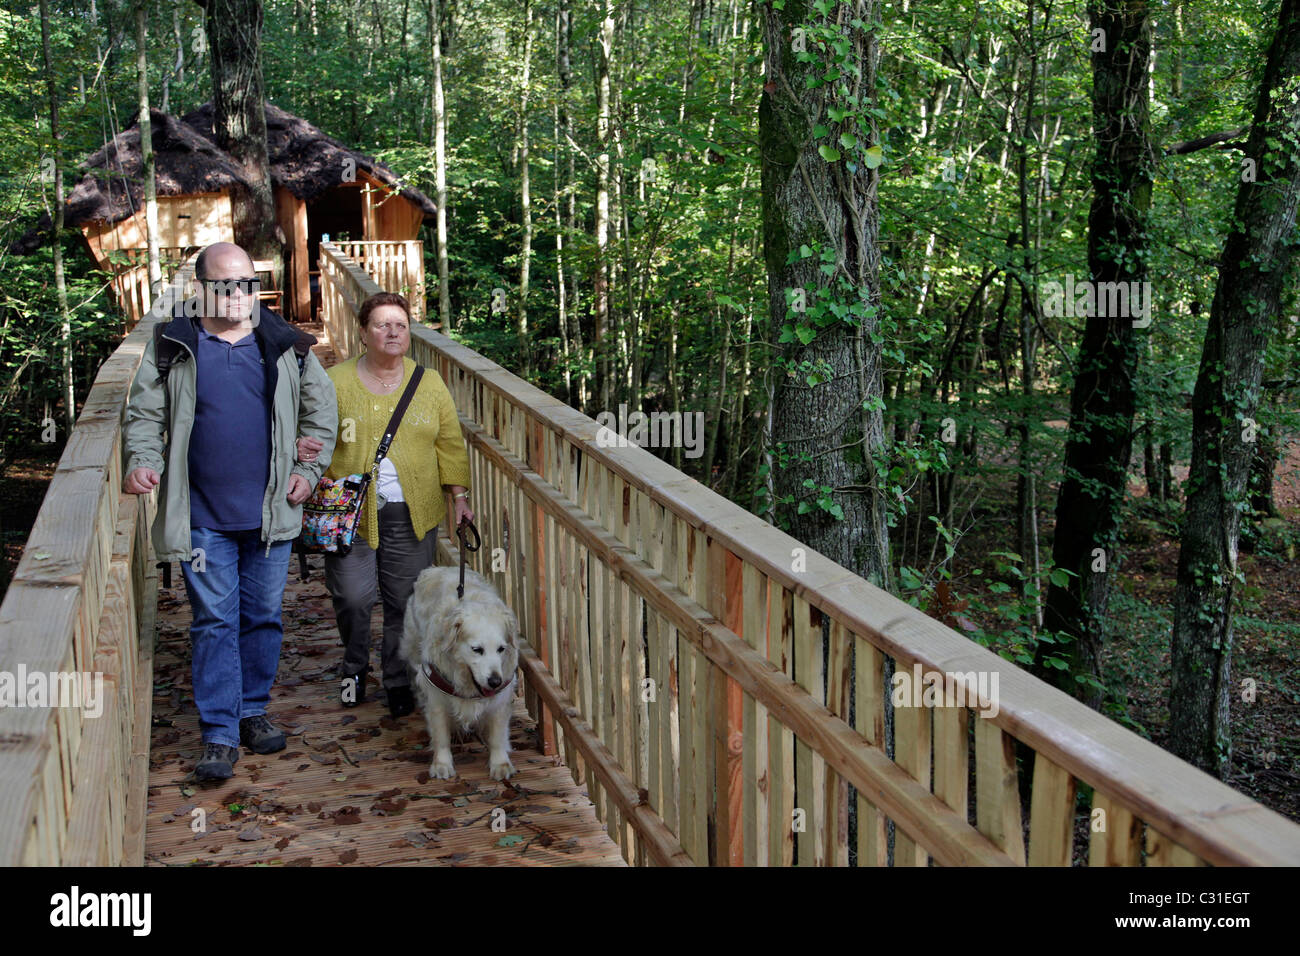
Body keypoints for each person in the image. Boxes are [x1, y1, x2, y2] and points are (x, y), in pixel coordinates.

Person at [123, 242, 338, 782]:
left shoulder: (287, 344)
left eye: (247, 282)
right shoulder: (173, 343)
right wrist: (143, 461)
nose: (239, 293)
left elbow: (321, 414)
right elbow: (146, 413)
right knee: (214, 619)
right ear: (200, 288)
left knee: (262, 616)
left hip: (271, 513)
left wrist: (307, 473)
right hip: (200, 515)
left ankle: (252, 711)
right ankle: (219, 731)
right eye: (225, 283)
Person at [297, 292, 473, 719]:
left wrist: (460, 497)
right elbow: (310, 426)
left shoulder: (428, 383)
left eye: (400, 324)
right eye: (382, 324)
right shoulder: (334, 380)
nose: (392, 332)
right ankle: (354, 668)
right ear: (362, 333)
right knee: (353, 598)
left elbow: (449, 442)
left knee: (404, 601)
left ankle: (397, 677)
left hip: (412, 514)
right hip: (350, 516)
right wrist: (303, 448)